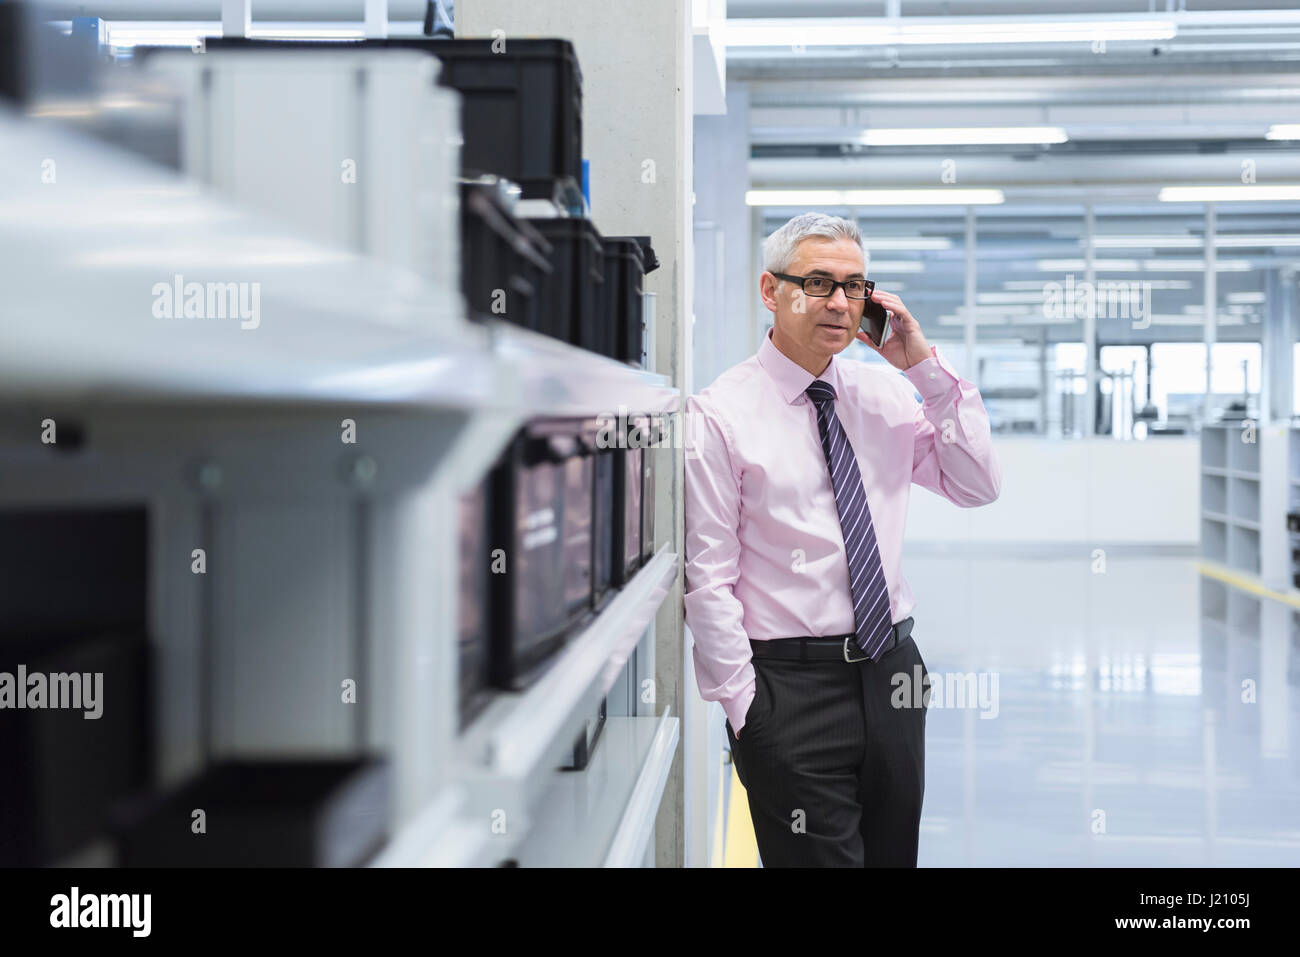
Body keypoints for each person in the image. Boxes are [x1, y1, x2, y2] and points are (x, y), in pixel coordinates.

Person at [683, 211, 1002, 866]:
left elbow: (975, 483)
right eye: (819, 283)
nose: (838, 303)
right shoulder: (720, 414)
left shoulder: (885, 393)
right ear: (772, 291)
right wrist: (747, 708)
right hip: (787, 691)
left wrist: (925, 370)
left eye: (854, 287)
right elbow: (707, 578)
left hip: (892, 677)